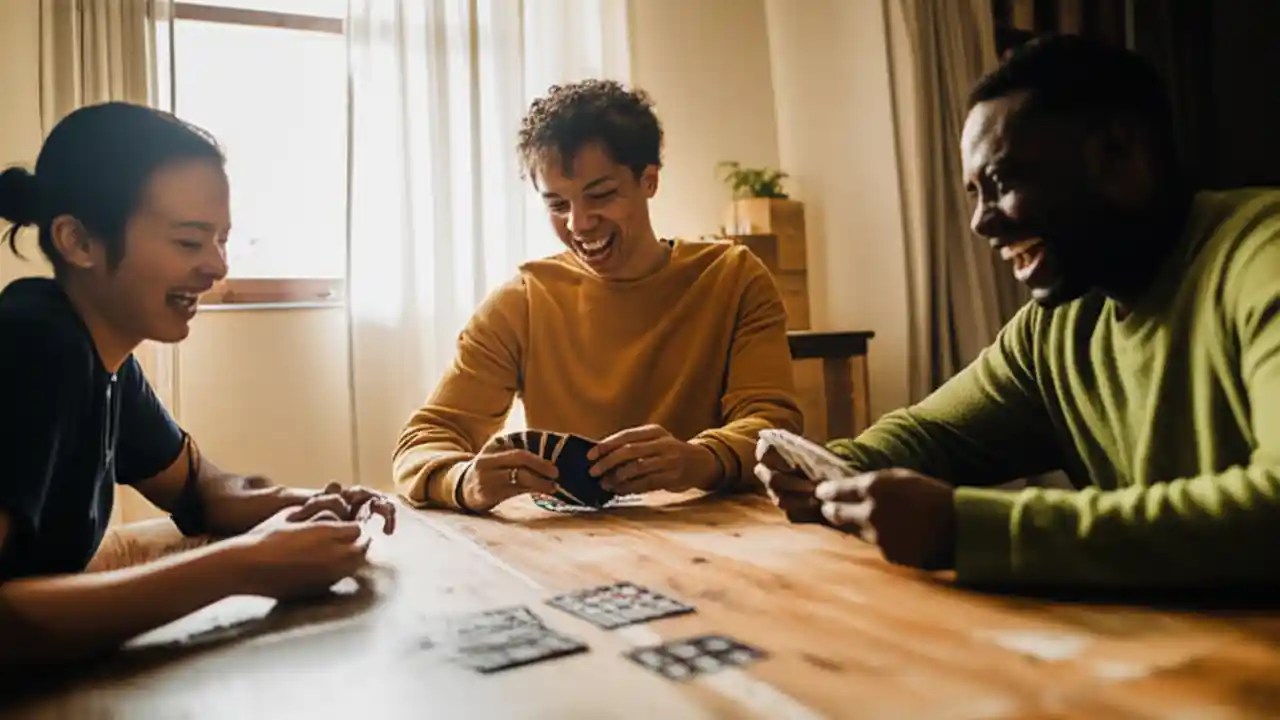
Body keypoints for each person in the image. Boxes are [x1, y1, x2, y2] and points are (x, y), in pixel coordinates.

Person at [757, 35, 1280, 589]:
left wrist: (970, 531)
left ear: (1121, 155)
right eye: (973, 193)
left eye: (1002, 183)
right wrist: (825, 470)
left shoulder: (1261, 257)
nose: (982, 222)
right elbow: (933, 434)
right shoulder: (1058, 325)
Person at [0, 102, 397, 666]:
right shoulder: (32, 346)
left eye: (221, 239)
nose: (217, 267)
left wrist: (315, 503)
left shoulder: (103, 358)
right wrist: (245, 565)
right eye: (189, 242)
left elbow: (204, 493)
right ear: (78, 242)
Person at [395, 80, 802, 513]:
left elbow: (775, 425)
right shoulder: (523, 301)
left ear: (648, 181)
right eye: (557, 204)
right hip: (573, 545)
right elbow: (425, 439)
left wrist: (698, 461)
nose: (579, 223)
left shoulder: (733, 278)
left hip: (722, 533)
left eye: (601, 196)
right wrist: (463, 481)